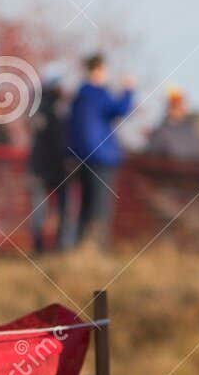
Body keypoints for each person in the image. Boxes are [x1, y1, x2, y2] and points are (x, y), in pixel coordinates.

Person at [66, 54, 135, 247]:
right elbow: (121, 108)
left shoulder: (79, 96)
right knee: (101, 208)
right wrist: (129, 89)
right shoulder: (98, 94)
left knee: (86, 206)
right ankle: (98, 249)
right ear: (97, 70)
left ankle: (79, 247)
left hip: (82, 159)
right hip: (101, 158)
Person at [26, 65, 69, 254]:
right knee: (42, 209)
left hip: (48, 166)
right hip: (46, 166)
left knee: (50, 209)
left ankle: (50, 247)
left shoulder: (39, 106)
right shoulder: (50, 108)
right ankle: (45, 247)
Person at [144, 87, 199, 158]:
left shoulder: (191, 131)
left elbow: (198, 155)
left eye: (180, 105)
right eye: (175, 106)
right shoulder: (160, 133)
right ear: (168, 108)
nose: (181, 109)